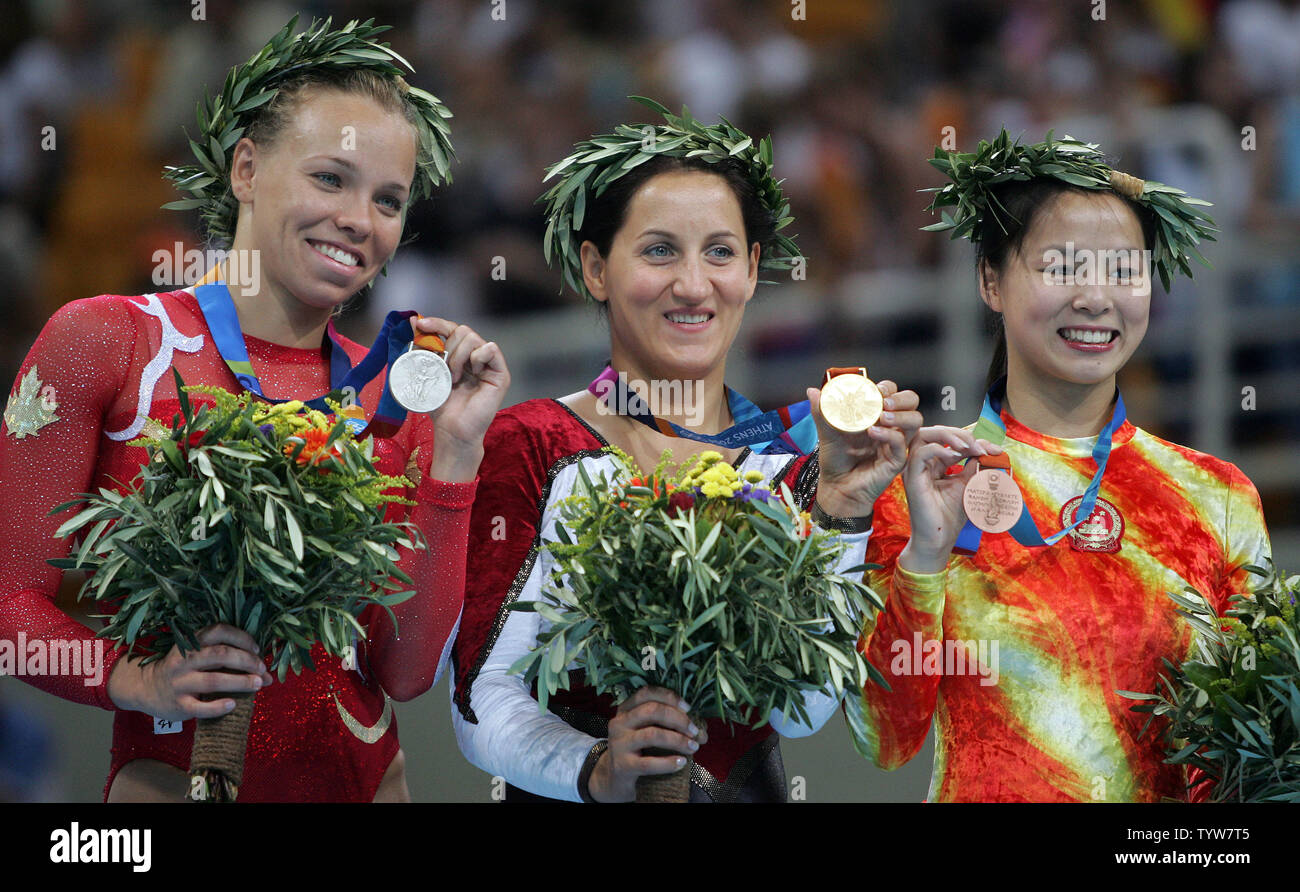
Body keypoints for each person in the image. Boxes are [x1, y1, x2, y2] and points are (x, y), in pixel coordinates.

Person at [0, 17, 509, 802]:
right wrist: (132, 679)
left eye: (388, 200)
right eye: (330, 178)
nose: (358, 221)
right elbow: (9, 611)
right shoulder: (108, 343)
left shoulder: (391, 394)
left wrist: (456, 458)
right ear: (246, 167)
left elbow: (405, 675)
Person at [451, 100, 922, 802]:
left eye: (720, 252)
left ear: (754, 270)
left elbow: (805, 709)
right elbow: (481, 694)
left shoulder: (794, 473)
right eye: (659, 250)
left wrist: (843, 513)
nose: (695, 285)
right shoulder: (533, 446)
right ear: (596, 268)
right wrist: (594, 769)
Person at [850, 131, 1272, 802]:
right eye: (1063, 266)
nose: (1096, 297)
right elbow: (884, 742)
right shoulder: (928, 485)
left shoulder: (1217, 496)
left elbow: (1259, 749)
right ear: (991, 279)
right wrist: (927, 558)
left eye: (1123, 271)